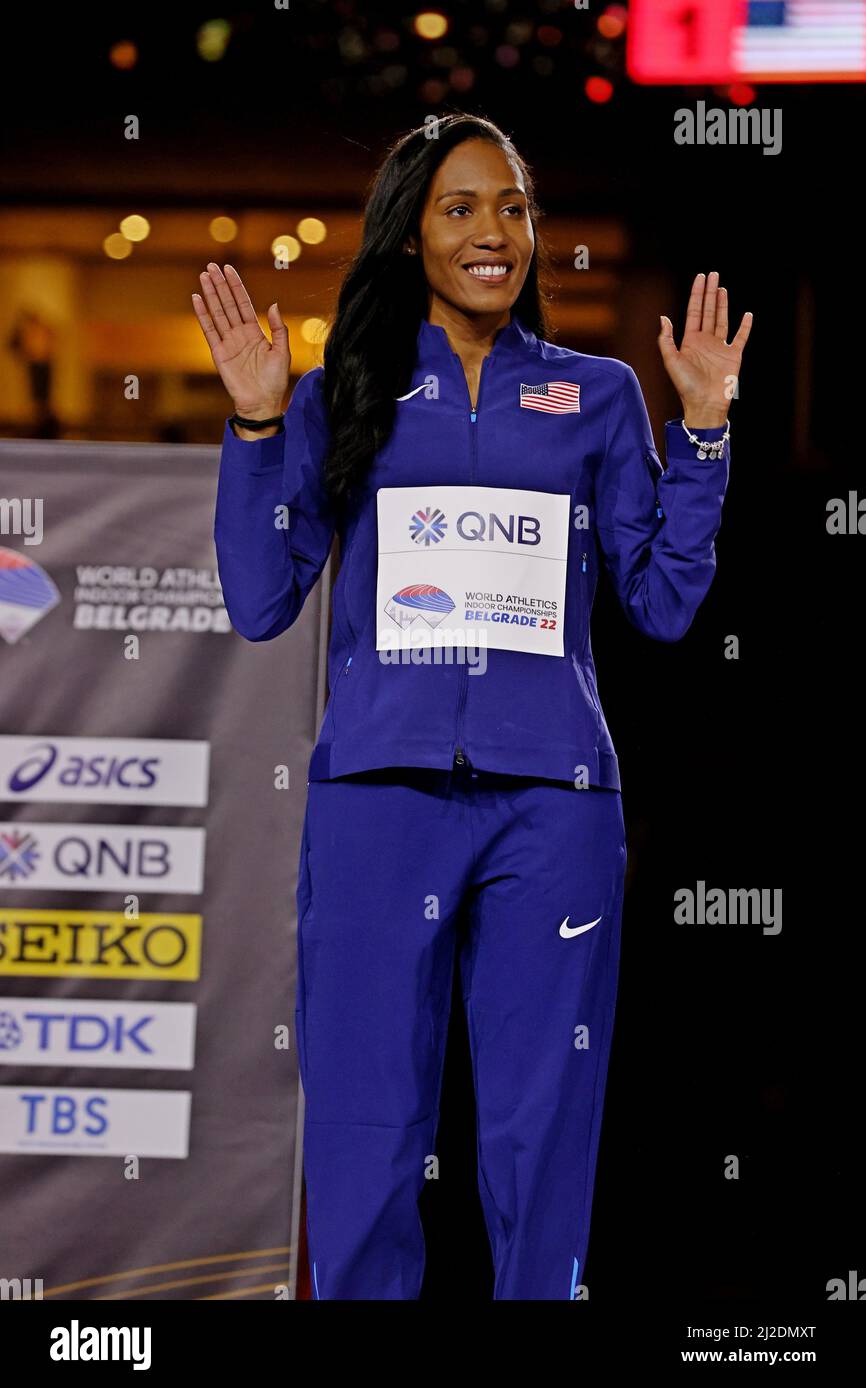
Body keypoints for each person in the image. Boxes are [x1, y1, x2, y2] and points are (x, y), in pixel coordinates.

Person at [192, 113, 751, 1301]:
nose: (493, 231)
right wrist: (252, 421)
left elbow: (658, 603)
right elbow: (257, 597)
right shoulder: (341, 391)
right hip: (377, 805)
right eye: (459, 208)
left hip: (551, 810)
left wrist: (700, 433)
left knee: (537, 1135)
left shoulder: (594, 396)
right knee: (365, 1132)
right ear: (408, 238)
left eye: (511, 207)